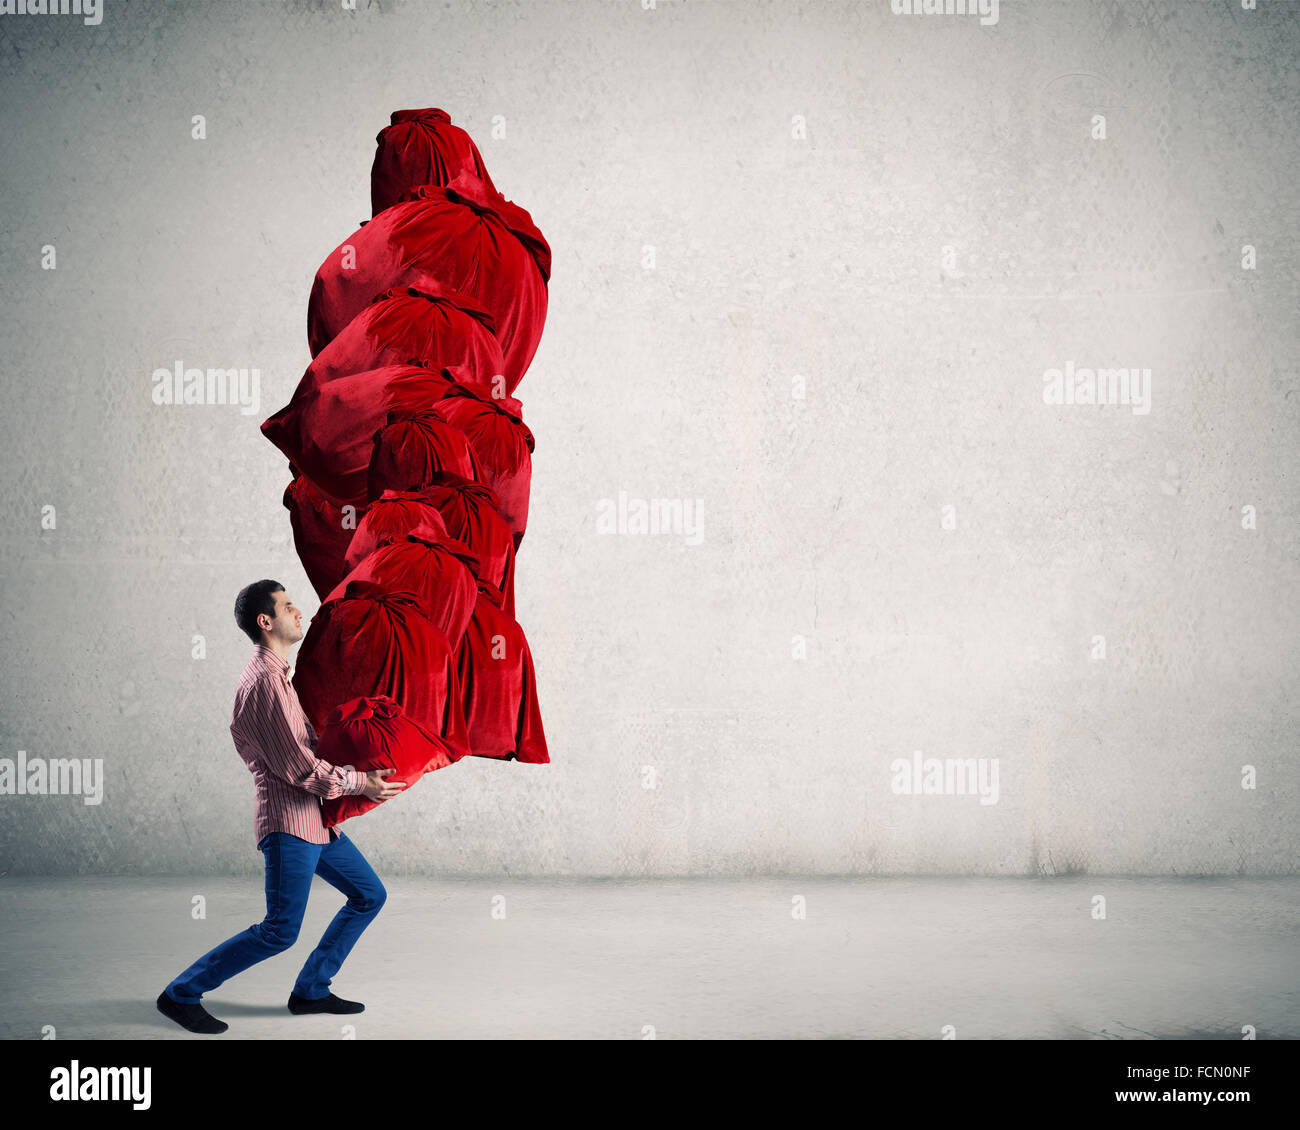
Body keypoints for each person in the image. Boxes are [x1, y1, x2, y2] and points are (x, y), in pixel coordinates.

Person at [156, 579, 406, 1034]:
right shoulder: (266, 683)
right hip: (289, 824)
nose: (299, 612)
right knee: (279, 931)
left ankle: (311, 990)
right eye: (288, 606)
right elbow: (300, 769)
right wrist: (360, 783)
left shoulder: (280, 678)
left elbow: (306, 753)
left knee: (369, 894)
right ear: (265, 621)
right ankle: (180, 994)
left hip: (314, 822)